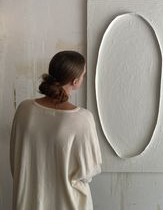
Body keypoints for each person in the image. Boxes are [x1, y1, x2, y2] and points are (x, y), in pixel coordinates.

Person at [10, 51, 102, 210]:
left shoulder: (23, 109)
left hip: (27, 202)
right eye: (83, 75)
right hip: (68, 204)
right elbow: (88, 173)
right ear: (75, 81)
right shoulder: (82, 119)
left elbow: (15, 160)